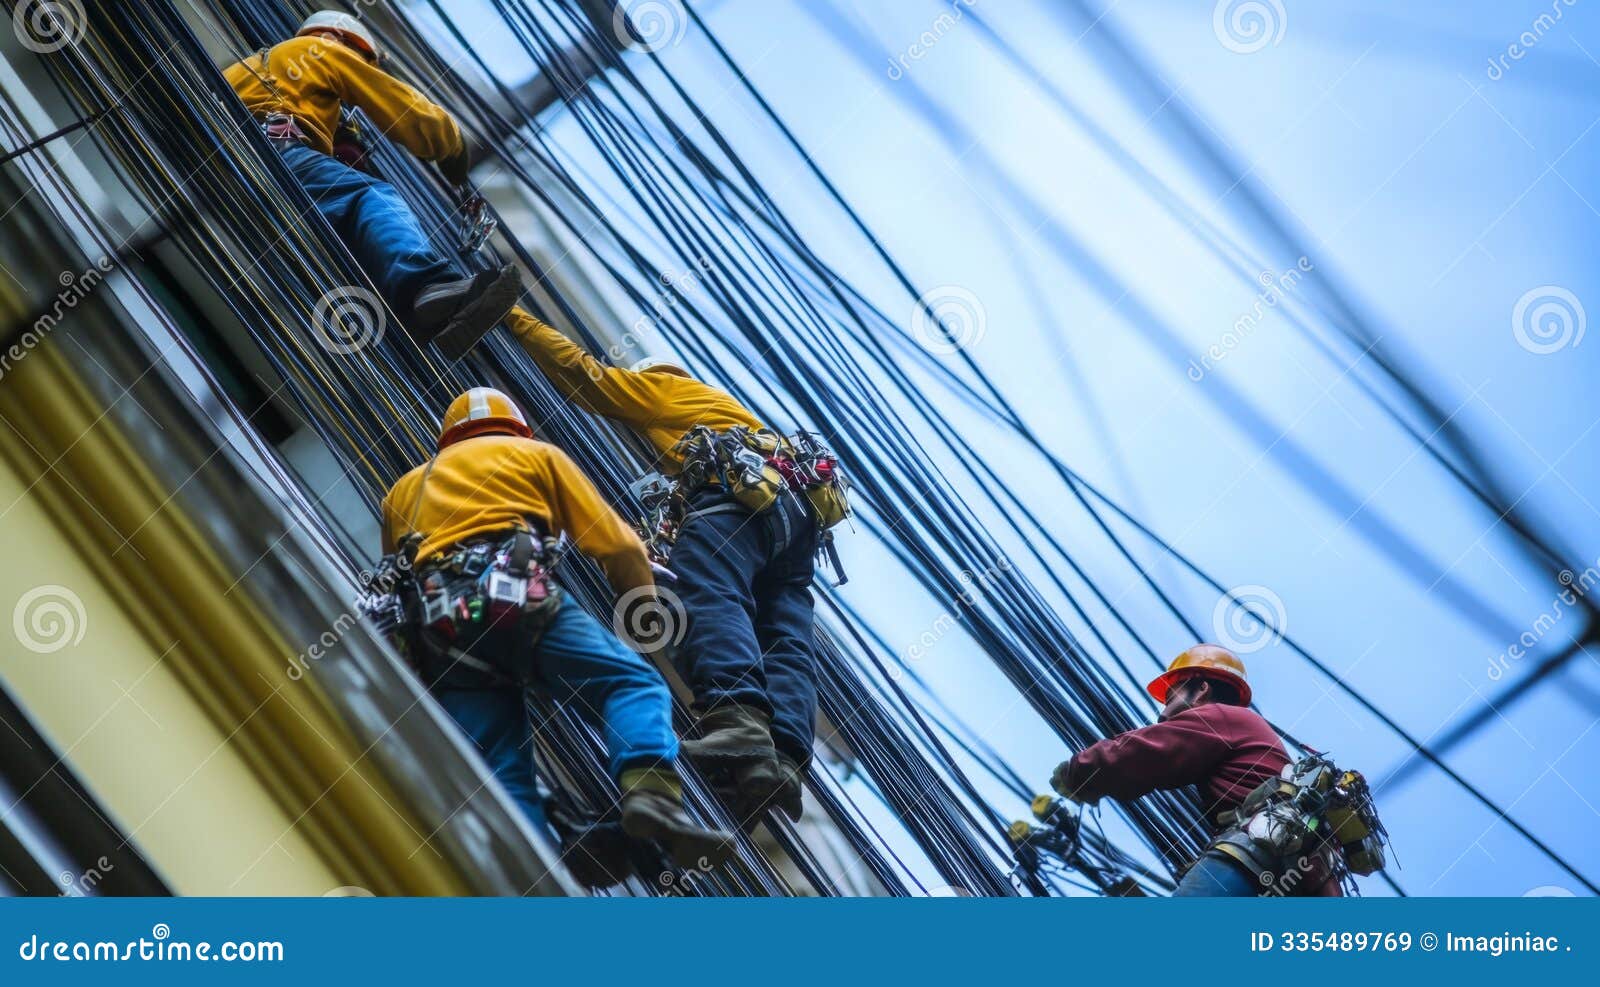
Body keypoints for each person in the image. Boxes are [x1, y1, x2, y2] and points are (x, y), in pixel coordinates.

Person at [506, 306, 842, 823]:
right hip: (797, 522)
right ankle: (781, 762)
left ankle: (740, 723)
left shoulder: (668, 391)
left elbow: (590, 380)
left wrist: (514, 316)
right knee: (785, 638)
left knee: (708, 588)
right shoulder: (731, 416)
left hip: (742, 503)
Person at [379, 386, 732, 868]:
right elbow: (618, 546)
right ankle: (651, 794)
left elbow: (397, 574)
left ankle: (527, 878)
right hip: (512, 595)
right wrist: (642, 607)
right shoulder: (536, 455)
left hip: (436, 633)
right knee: (632, 682)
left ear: (447, 438)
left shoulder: (402, 490)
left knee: (499, 767)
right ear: (518, 425)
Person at [224, 11, 519, 359]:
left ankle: (412, 310)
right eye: (362, 60)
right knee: (372, 196)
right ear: (336, 40)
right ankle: (424, 286)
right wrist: (451, 146)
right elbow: (404, 111)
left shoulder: (254, 71)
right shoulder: (320, 50)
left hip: (225, 167)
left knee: (342, 228)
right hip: (273, 151)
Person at [1049, 645, 1341, 896]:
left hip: (1254, 859)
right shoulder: (1246, 729)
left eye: (1172, 693)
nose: (1164, 705)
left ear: (1201, 689)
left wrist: (1077, 771)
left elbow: (1144, 753)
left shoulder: (1221, 717)